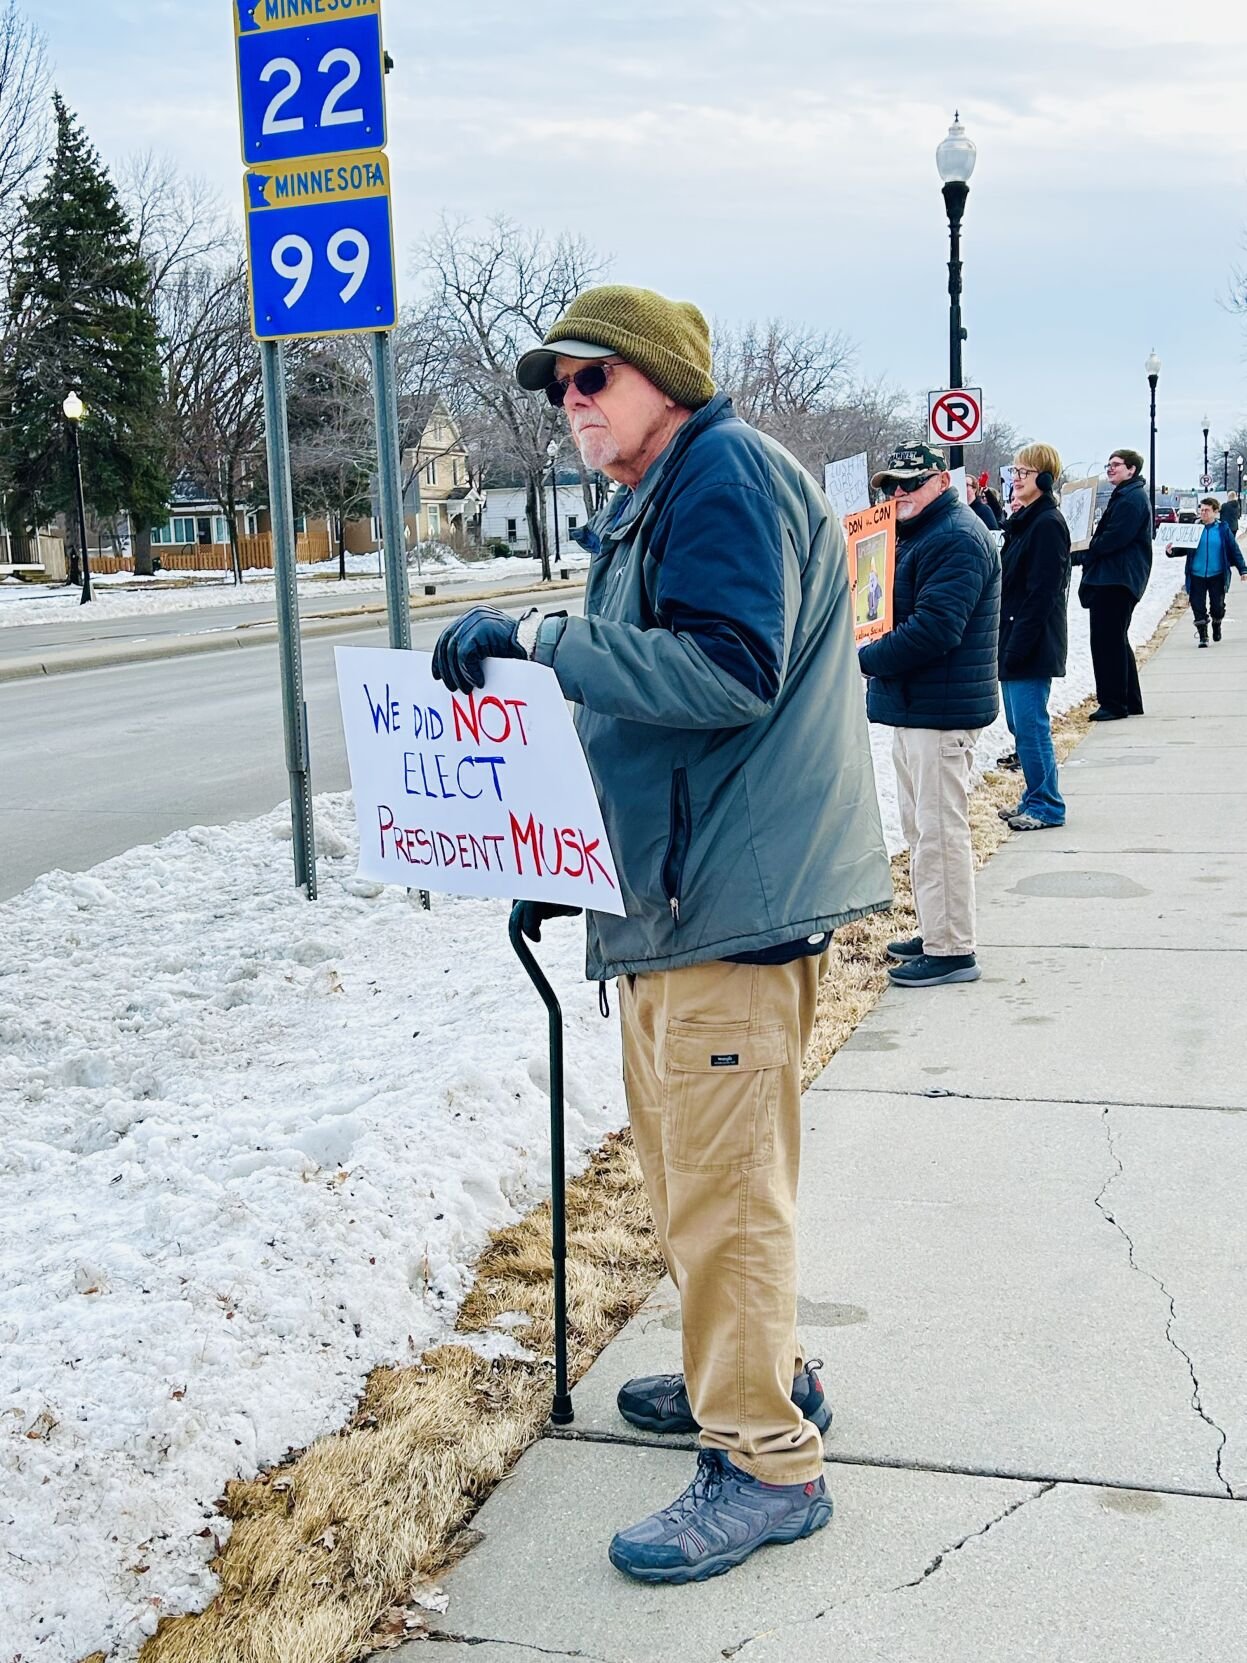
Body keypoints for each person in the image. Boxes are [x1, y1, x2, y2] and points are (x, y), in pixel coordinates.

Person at [431, 285, 892, 1585]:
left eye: (590, 379)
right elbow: (657, 714)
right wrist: (574, 859)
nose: (568, 404)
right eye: (556, 386)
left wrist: (542, 640)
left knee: (726, 1199)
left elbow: (723, 672)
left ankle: (762, 1456)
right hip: (679, 899)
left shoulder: (723, 477)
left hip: (726, 911)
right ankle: (756, 1366)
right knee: (703, 1187)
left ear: (662, 379)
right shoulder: (670, 489)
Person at [857, 443, 1000, 988]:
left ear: (941, 481)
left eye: (910, 484)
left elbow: (937, 630)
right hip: (919, 707)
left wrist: (861, 661)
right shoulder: (919, 534)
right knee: (922, 829)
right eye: (891, 486)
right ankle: (936, 926)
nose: (898, 494)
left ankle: (951, 949)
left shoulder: (957, 538)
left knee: (940, 833)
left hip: (941, 713)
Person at [997, 445, 1071, 830]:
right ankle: (1034, 795)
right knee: (1019, 727)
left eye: (1025, 472)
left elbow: (1041, 594)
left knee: (1031, 726)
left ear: (1043, 478)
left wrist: (1017, 646)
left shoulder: (1047, 525)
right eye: (1015, 471)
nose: (1016, 478)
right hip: (1014, 638)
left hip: (1030, 642)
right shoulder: (1025, 522)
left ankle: (1047, 804)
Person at [1073, 448, 1152, 720]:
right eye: (1109, 465)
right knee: (1116, 639)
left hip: (1116, 579)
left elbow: (1114, 538)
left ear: (1132, 469)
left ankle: (1114, 703)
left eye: (1116, 465)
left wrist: (1083, 553)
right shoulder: (1127, 495)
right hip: (1116, 578)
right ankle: (1130, 700)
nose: (1110, 468)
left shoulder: (1131, 499)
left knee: (1106, 642)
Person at [1166, 496, 1247, 646]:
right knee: (1197, 606)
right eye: (1201, 510)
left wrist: (1243, 569)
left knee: (1217, 606)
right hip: (1196, 574)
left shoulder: (1223, 529)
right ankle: (1203, 635)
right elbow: (1183, 548)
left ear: (1215, 512)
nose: (1203, 513)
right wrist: (1171, 551)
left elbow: (1233, 549)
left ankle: (1216, 624)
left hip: (1217, 574)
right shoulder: (1194, 528)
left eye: (1207, 510)